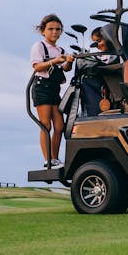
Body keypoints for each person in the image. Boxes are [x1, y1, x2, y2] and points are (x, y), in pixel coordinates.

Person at [29, 13, 74, 168]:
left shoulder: (61, 49)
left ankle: (55, 158)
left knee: (60, 126)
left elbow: (66, 69)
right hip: (42, 87)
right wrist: (54, 61)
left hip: (54, 89)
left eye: (58, 29)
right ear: (43, 31)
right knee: (46, 124)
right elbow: (37, 66)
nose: (54, 32)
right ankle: (48, 159)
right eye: (51, 29)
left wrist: (68, 62)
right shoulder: (39, 46)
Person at [77, 27, 118, 116]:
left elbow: (104, 61)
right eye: (95, 43)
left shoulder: (112, 55)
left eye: (99, 41)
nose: (97, 45)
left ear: (108, 38)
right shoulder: (107, 55)